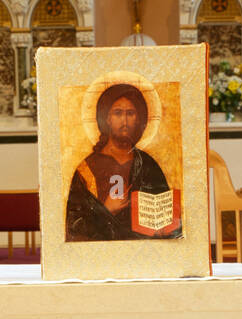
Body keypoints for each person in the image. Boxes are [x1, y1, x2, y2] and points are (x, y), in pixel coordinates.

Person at [65, 84, 180, 241]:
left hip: (143, 252)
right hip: (101, 253)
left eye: (130, 113)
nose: (124, 121)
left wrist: (164, 226)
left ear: (139, 119)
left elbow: (167, 214)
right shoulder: (86, 168)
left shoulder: (147, 164)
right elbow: (74, 226)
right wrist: (106, 211)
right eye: (117, 113)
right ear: (107, 119)